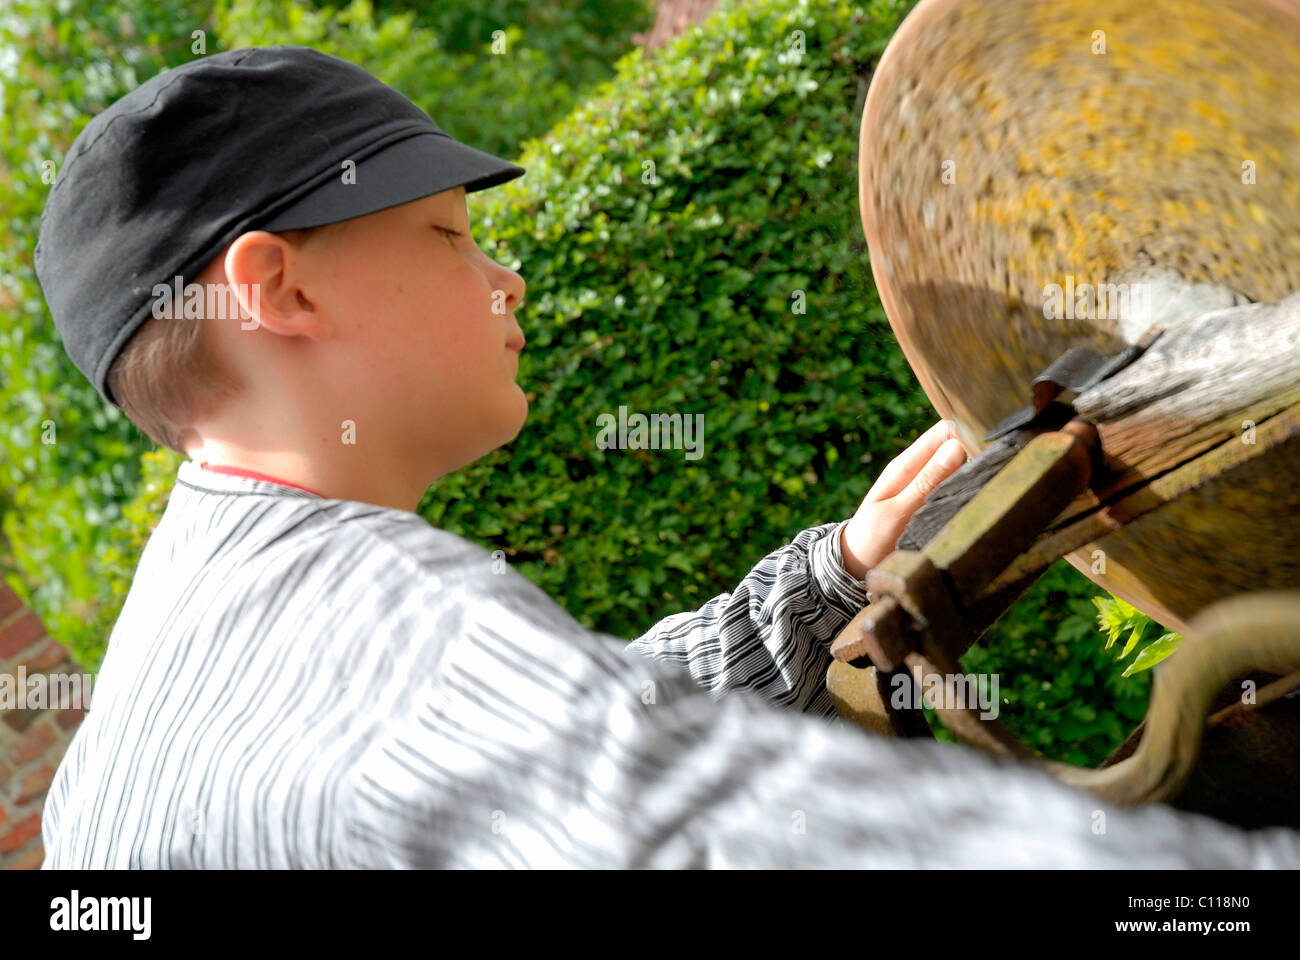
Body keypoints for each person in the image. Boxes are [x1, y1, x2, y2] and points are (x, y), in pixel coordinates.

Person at [33, 46, 1300, 868]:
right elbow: (719, 837)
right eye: (443, 235)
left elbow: (576, 737)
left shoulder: (176, 661)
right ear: (279, 292)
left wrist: (832, 579)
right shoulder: (381, 629)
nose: (502, 274)